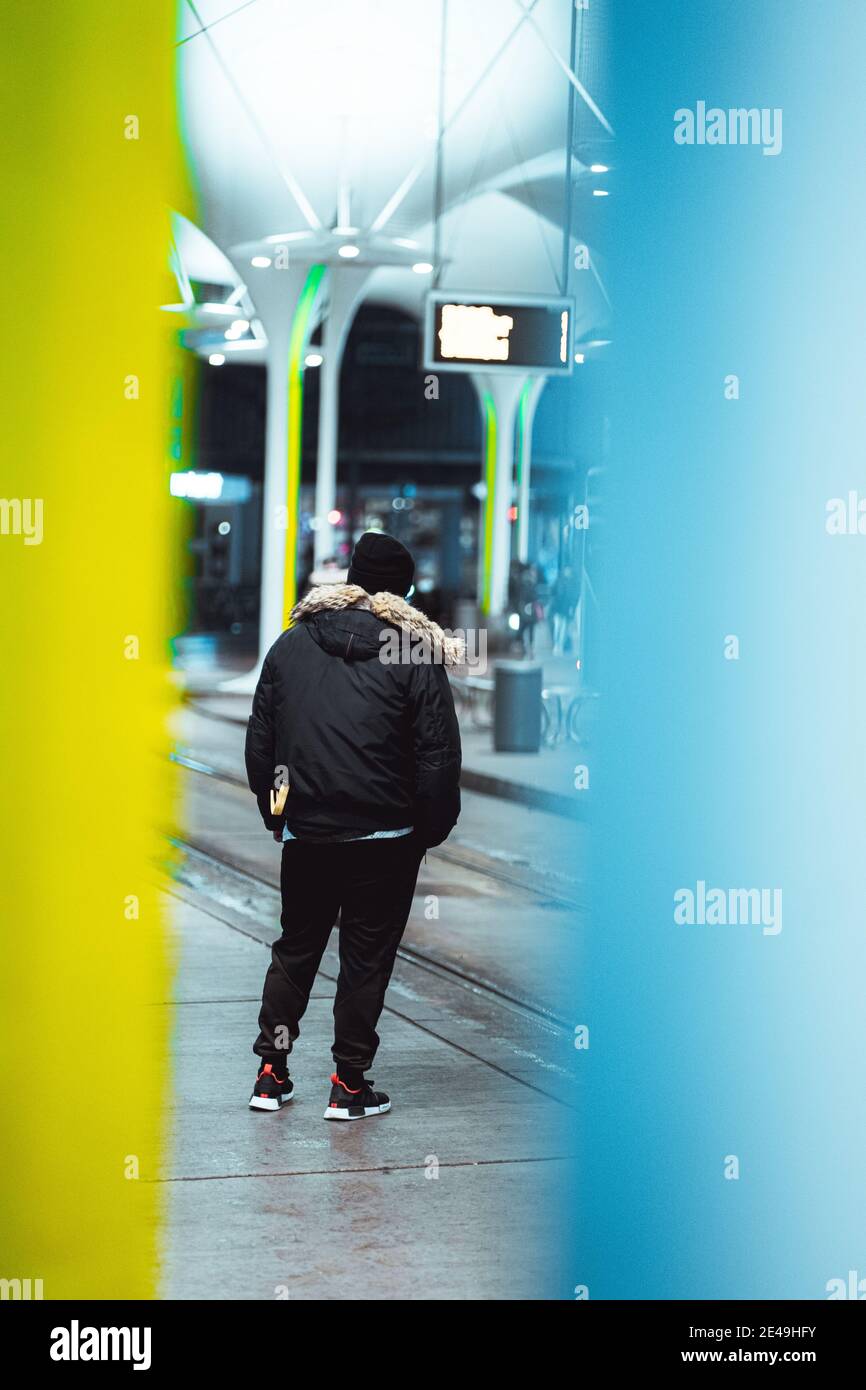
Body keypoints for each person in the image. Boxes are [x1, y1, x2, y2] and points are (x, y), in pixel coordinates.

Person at [244, 532, 463, 1120]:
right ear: (405, 591)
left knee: (296, 949)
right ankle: (348, 1084)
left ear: (351, 577)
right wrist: (427, 831)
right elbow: (438, 757)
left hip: (308, 833)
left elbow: (261, 741)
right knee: (365, 960)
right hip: (385, 840)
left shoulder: (293, 643)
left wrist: (277, 815)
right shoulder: (413, 652)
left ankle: (272, 1072)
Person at [550, 564, 580, 655]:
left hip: (563, 608)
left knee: (561, 628)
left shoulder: (564, 581)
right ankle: (557, 645)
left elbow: (553, 592)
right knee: (559, 627)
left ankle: (559, 646)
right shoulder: (565, 582)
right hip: (561, 608)